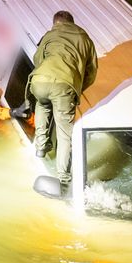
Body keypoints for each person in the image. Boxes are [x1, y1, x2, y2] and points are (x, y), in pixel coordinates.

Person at [24, 10, 97, 189]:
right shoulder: (85, 38)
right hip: (64, 84)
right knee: (65, 134)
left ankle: (41, 146)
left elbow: (37, 59)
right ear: (72, 22)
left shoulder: (49, 35)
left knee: (42, 103)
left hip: (38, 80)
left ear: (55, 23)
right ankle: (64, 178)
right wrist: (76, 89)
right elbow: (91, 71)